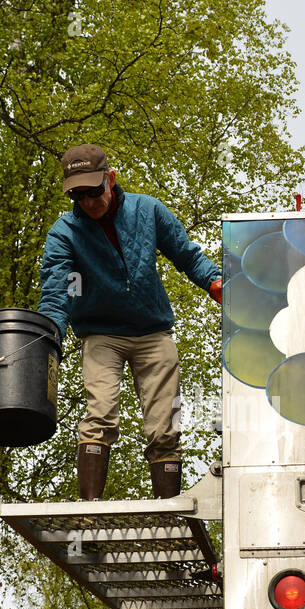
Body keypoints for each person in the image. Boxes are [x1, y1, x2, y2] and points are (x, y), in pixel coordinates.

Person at [38, 144, 222, 500]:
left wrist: (214, 281)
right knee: (101, 413)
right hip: (101, 334)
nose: (89, 203)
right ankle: (90, 508)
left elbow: (185, 254)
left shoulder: (147, 210)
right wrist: (50, 338)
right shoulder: (64, 233)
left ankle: (167, 509)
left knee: (165, 426)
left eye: (94, 192)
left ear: (111, 178)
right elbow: (56, 291)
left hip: (153, 333)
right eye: (79, 196)